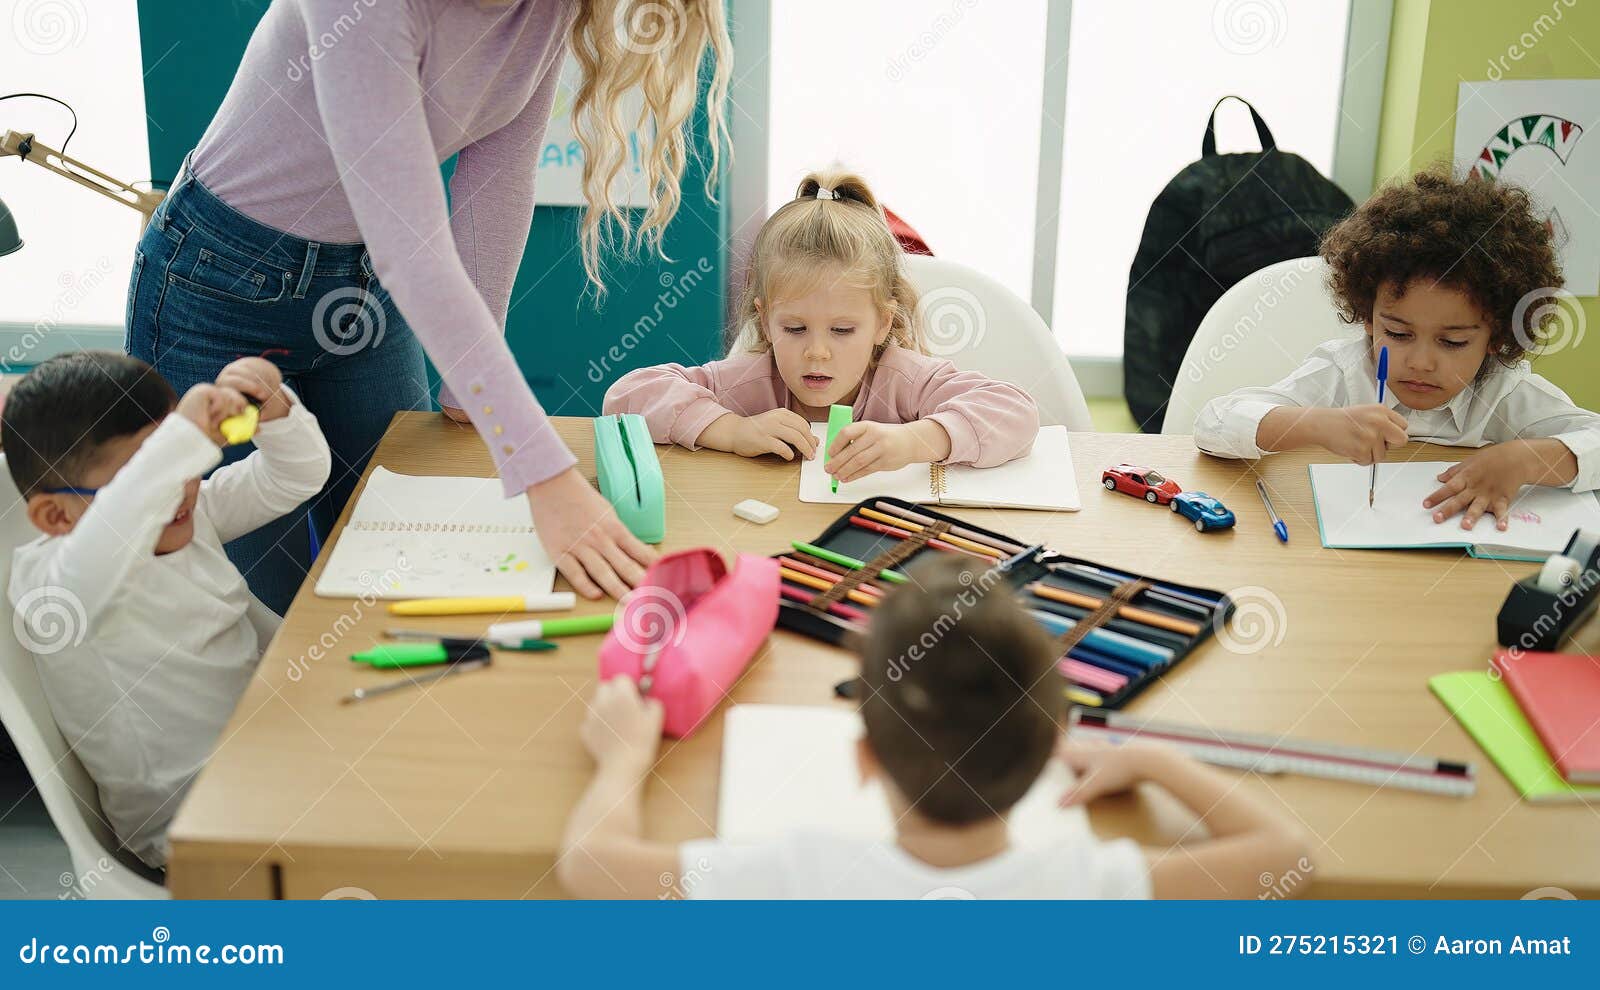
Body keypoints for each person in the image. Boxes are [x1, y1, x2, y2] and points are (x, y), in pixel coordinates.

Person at [126, 0, 732, 610]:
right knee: (250, 605)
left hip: (363, 288)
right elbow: (414, 254)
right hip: (218, 287)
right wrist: (544, 475)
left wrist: (471, 386)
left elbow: (499, 177)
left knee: (396, 572)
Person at [557, 555, 1313, 899]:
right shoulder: (1087, 887)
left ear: (863, 760)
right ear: (1052, 751)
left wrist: (622, 758)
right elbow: (1289, 858)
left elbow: (591, 866)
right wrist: (1156, 762)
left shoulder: (796, 875)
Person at [3, 352, 330, 867]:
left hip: (275, 747)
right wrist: (179, 443)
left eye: (189, 466)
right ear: (54, 515)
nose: (180, 489)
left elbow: (295, 478)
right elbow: (123, 515)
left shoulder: (190, 513)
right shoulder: (55, 592)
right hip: (196, 822)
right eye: (158, 470)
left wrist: (275, 410)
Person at [1196, 169, 1600, 529]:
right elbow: (1213, 424)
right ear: (1368, 318)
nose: (1420, 362)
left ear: (1496, 336)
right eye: (1399, 333)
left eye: (1453, 341)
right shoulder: (1343, 373)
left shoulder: (1505, 393)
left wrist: (1525, 459)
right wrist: (1315, 424)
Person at [603, 170, 1040, 482]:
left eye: (842, 331)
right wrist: (733, 431)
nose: (816, 352)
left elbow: (1017, 412)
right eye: (794, 329)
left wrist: (914, 442)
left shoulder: (903, 378)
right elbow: (625, 398)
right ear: (766, 321)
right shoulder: (753, 379)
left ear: (882, 324)